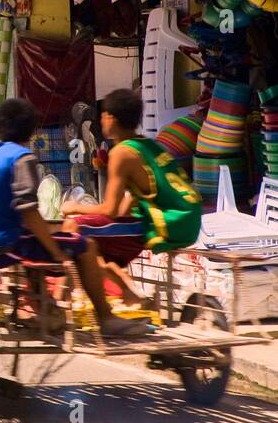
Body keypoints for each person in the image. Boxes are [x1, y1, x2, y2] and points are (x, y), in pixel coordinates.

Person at [0, 98, 143, 337]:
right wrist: (57, 252)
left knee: (35, 240)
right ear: (31, 130)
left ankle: (45, 310)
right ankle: (106, 318)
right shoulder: (21, 157)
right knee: (86, 246)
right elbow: (28, 211)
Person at [61, 88, 203, 309]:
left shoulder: (121, 153)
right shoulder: (148, 145)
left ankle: (127, 290)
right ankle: (124, 288)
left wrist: (74, 206)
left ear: (111, 118)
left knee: (72, 228)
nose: (101, 120)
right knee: (93, 244)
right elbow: (133, 199)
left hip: (165, 223)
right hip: (187, 219)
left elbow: (109, 209)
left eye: (103, 115)